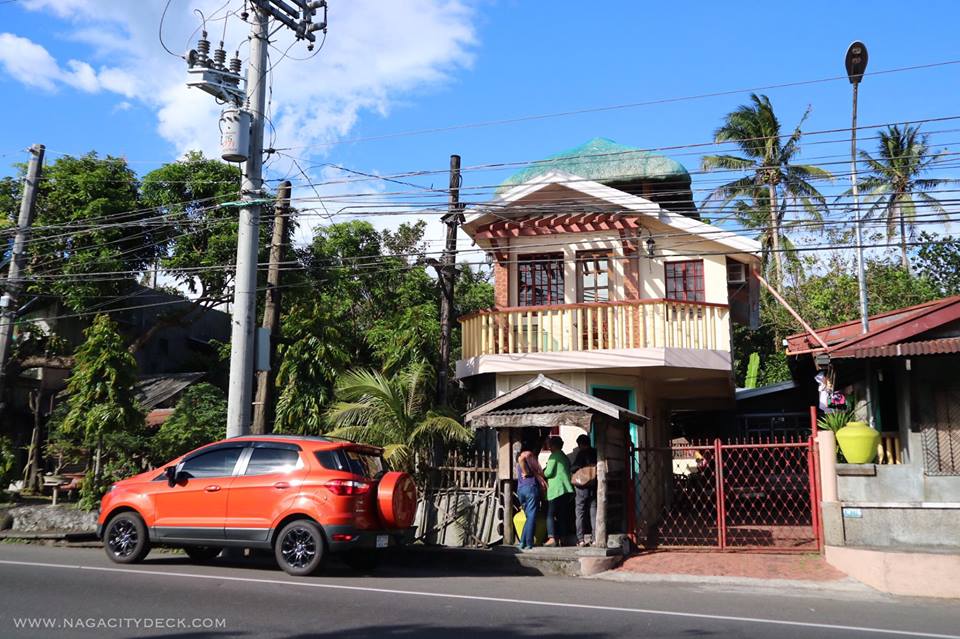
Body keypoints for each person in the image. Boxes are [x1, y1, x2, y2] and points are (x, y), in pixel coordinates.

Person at [542, 435, 574, 547]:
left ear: (553, 446)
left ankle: (552, 538)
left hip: (556, 490)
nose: (549, 447)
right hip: (566, 489)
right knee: (562, 515)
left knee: (550, 514)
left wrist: (541, 471)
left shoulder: (554, 456)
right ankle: (563, 538)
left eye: (550, 445)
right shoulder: (564, 457)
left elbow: (548, 473)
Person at [516, 441, 546, 550]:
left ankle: (522, 542)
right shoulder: (531, 459)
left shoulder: (520, 460)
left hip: (520, 490)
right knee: (532, 517)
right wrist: (533, 473)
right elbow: (542, 474)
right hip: (531, 489)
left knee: (528, 517)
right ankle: (528, 542)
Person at [570, 434, 598, 547]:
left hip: (582, 487)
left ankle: (580, 539)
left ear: (580, 444)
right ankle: (595, 538)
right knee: (593, 512)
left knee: (580, 512)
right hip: (594, 485)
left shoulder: (581, 454)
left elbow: (573, 468)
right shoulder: (595, 452)